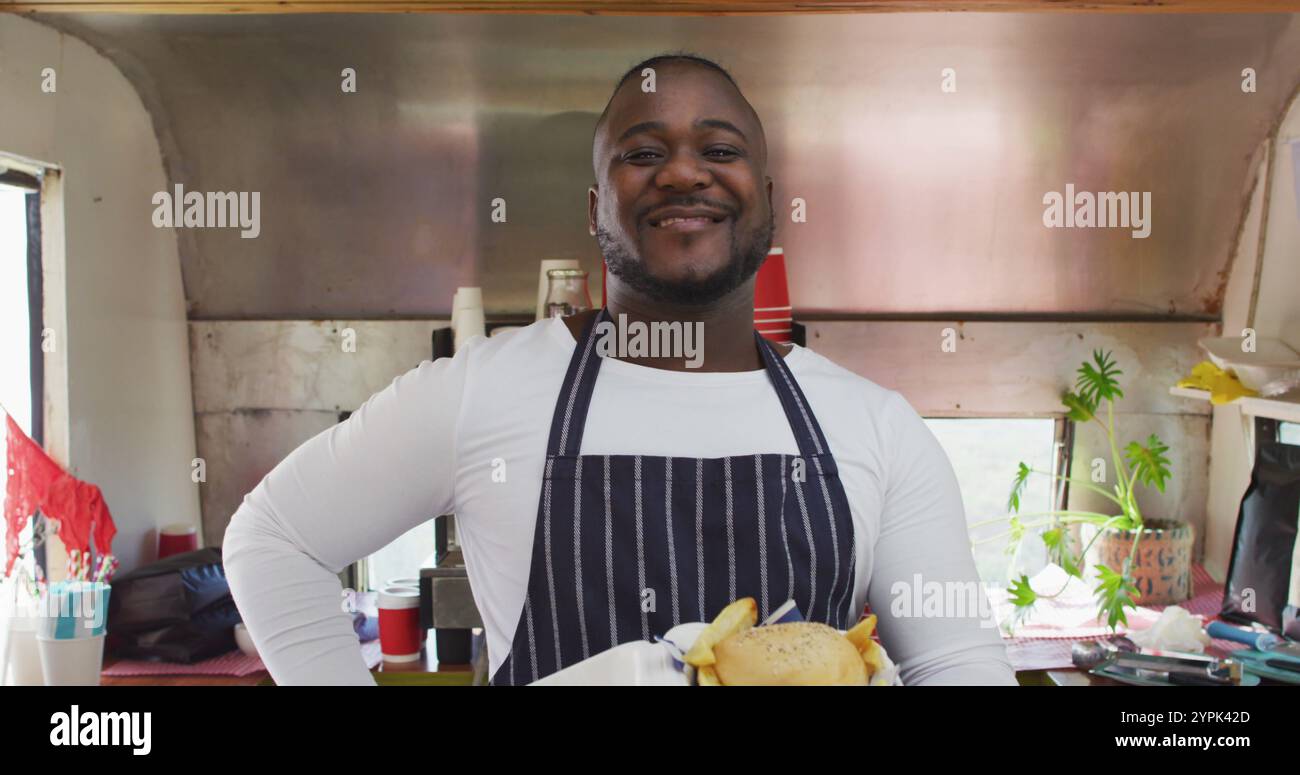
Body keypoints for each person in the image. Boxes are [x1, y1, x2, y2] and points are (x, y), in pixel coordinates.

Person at [222, 52, 1016, 686]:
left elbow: (957, 663)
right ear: (596, 208)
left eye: (720, 149)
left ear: (767, 200)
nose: (681, 173)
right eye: (643, 153)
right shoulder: (481, 393)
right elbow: (271, 540)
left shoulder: (873, 424)